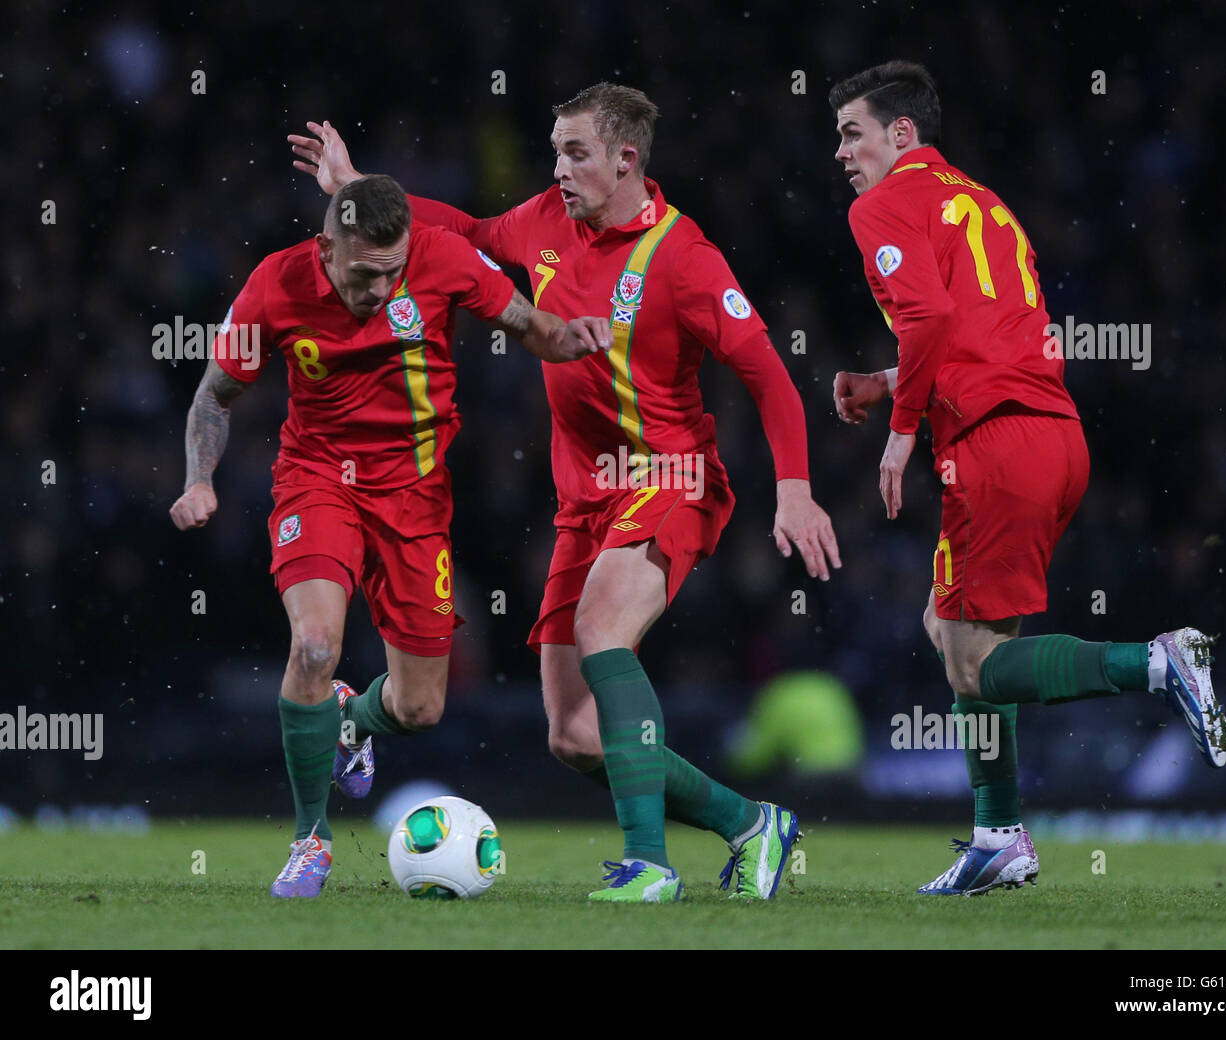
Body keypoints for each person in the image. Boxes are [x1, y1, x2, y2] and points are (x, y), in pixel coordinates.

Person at [289, 85, 840, 902]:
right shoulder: (548, 218)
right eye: (554, 150)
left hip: (669, 478)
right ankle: (752, 824)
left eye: (575, 153)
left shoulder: (686, 257)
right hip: (584, 502)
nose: (558, 168)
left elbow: (769, 376)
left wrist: (794, 490)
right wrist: (354, 186)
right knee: (576, 736)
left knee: (602, 630)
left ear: (626, 159)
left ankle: (650, 866)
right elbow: (466, 234)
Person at [828, 60, 1226, 895]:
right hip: (1051, 434)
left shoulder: (882, 204)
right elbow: (975, 329)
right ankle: (998, 834)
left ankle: (1158, 664)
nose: (841, 151)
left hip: (993, 445)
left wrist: (901, 433)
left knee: (974, 662)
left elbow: (934, 318)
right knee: (954, 633)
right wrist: (886, 384)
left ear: (902, 135)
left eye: (851, 132)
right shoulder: (983, 201)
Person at [170, 173, 609, 898]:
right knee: (314, 645)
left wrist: (578, 338)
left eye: (393, 272)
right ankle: (311, 840)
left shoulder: (443, 258)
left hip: (415, 497)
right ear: (325, 248)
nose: (379, 289)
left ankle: (348, 718)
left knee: (419, 708)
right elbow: (214, 394)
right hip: (317, 481)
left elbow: (535, 328)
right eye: (364, 274)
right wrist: (198, 479)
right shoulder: (275, 284)